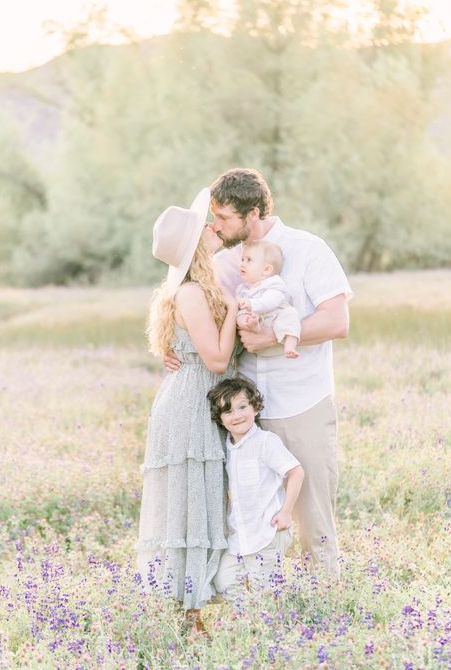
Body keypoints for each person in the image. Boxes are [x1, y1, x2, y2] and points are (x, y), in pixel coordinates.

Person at [166, 168, 353, 579]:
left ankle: (327, 603)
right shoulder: (224, 263)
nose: (216, 226)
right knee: (246, 513)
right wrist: (173, 350)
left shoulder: (309, 249)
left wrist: (273, 336)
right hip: (243, 409)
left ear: (252, 215)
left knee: (311, 513)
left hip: (299, 401)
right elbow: (195, 311)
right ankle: (264, 603)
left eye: (224, 218)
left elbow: (337, 321)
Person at [136, 187, 238, 633]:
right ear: (197, 242)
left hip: (197, 396)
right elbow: (216, 360)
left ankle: (191, 610)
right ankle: (187, 615)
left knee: (200, 498)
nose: (215, 228)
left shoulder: (198, 286)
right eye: (207, 226)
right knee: (188, 503)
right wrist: (234, 311)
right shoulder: (192, 294)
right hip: (191, 403)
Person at [207, 377, 304, 602]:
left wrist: (286, 512)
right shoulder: (225, 448)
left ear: (255, 407)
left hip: (268, 531)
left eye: (243, 407)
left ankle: (269, 628)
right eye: (228, 411)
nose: (237, 415)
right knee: (225, 581)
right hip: (240, 534)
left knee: (266, 590)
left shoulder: (265, 442)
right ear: (220, 419)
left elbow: (296, 472)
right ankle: (247, 623)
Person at [236, 239, 301, 358]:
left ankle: (290, 344)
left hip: (275, 317)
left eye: (249, 260)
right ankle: (253, 326)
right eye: (242, 259)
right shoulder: (242, 289)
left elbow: (271, 301)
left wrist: (252, 303)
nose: (242, 264)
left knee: (290, 314)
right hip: (258, 320)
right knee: (240, 316)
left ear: (266, 269)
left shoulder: (274, 283)